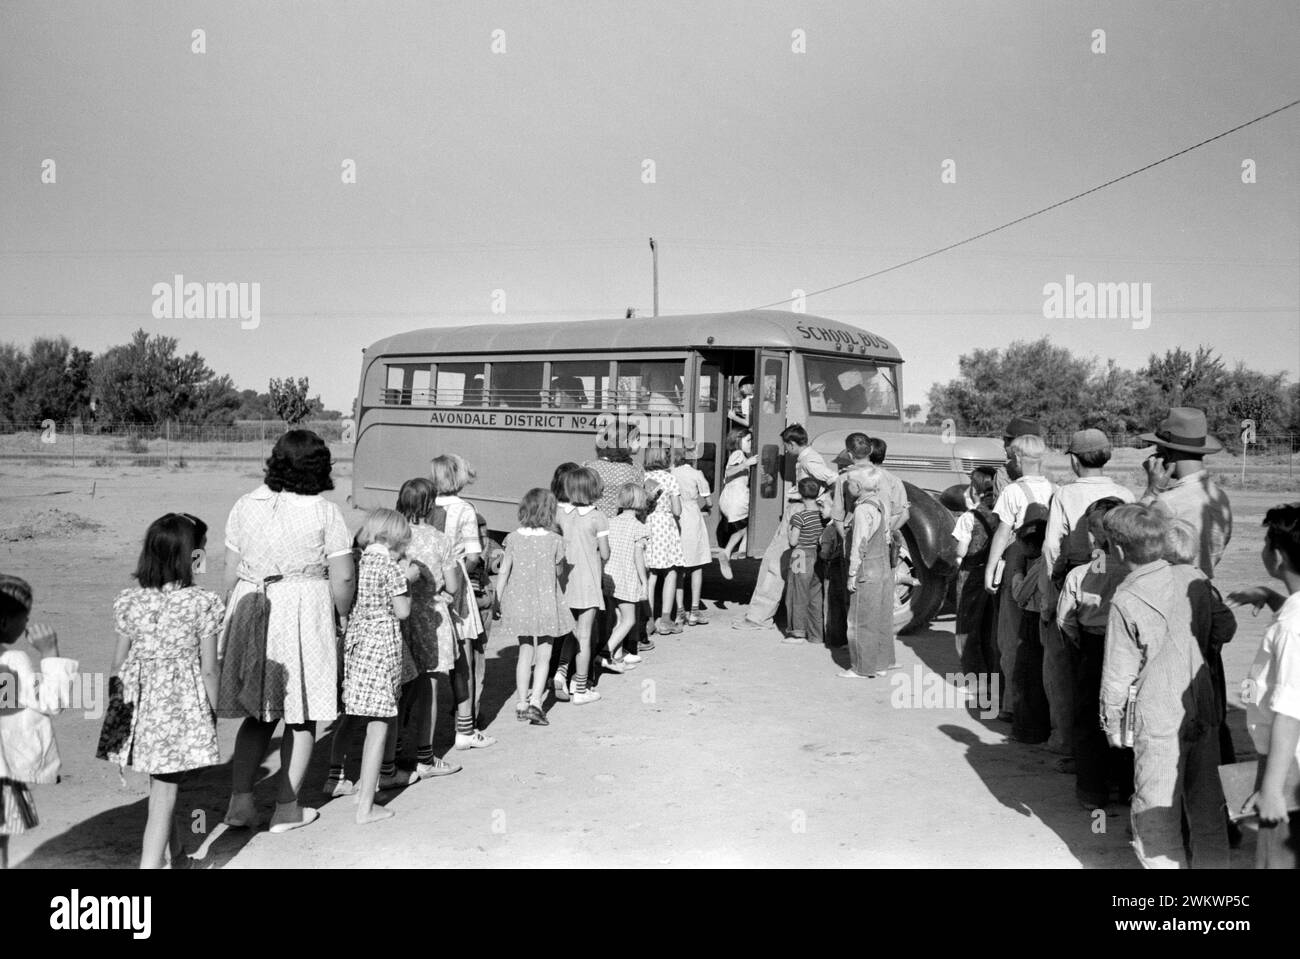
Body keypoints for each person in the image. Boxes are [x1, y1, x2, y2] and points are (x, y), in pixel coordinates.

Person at [218, 429, 355, 834]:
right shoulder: (324, 511)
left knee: (258, 715)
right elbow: (343, 577)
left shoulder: (246, 504)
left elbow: (229, 570)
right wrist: (342, 616)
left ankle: (240, 805)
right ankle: (287, 807)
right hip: (301, 611)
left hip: (252, 604)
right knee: (302, 715)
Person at [1101, 504, 1235, 869]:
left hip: (1157, 713)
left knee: (1156, 811)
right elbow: (1226, 629)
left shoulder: (1127, 598)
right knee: (1207, 807)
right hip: (1203, 705)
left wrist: (1112, 724)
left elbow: (1118, 674)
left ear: (1118, 549)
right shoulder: (1195, 579)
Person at [107, 514, 223, 868]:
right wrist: (211, 716)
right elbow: (209, 668)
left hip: (137, 706)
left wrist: (118, 723)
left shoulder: (129, 600)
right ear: (193, 557)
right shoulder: (202, 602)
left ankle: (179, 858)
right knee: (165, 792)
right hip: (179, 709)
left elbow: (118, 663)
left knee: (160, 787)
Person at [1136, 407, 1235, 776]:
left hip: (1169, 607)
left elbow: (1126, 539)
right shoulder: (1218, 496)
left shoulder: (1167, 503)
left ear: (1169, 457)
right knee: (1211, 700)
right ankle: (1220, 802)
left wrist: (1150, 490)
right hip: (1205, 598)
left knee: (1171, 705)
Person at [1039, 429, 1136, 765]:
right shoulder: (1124, 491)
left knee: (1065, 670)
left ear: (1074, 459)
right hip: (1121, 583)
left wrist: (1052, 591)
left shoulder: (1064, 493)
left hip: (1078, 579)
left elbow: (1052, 546)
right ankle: (1116, 753)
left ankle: (1067, 745)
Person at [1227, 503, 1300, 867]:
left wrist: (1271, 789)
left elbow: (1289, 712)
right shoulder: (1293, 615)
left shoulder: (1291, 629)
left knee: (1277, 860)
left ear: (1277, 556)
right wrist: (1272, 598)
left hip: (1290, 768)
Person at [329, 509, 412, 824]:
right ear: (394, 538)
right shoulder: (390, 567)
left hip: (357, 643)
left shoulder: (358, 561)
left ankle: (353, 780)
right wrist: (409, 583)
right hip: (382, 644)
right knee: (379, 725)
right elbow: (402, 611)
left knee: (355, 715)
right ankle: (366, 804)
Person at [1056, 497, 1129, 810]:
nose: (1088, 537)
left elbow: (1065, 621)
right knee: (1126, 716)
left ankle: (1093, 792)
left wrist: (1082, 645)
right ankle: (1128, 787)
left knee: (1089, 719)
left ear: (1104, 535)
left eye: (1093, 530)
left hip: (1093, 648)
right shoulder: (1135, 572)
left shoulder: (1080, 575)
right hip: (1129, 652)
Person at [0, 576, 77, 870]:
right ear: (6, 622)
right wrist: (49, 652)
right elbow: (51, 702)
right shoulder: (14, 660)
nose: (28, 624)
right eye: (25, 617)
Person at [733, 424, 837, 632]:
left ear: (792, 444)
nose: (786, 451)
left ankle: (758, 618)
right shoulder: (808, 457)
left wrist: (821, 500)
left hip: (798, 510)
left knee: (774, 562)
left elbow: (834, 478)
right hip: (801, 508)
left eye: (787, 446)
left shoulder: (809, 459)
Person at [392, 478, 462, 781]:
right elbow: (453, 583)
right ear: (430, 504)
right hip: (430, 618)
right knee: (429, 687)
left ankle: (390, 751)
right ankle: (425, 755)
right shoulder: (439, 539)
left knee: (400, 687)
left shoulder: (395, 537)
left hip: (399, 615)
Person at [984, 433, 1056, 722]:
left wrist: (991, 568)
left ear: (1016, 460)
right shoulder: (1055, 488)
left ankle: (1014, 703)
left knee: (1011, 634)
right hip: (1046, 561)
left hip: (1018, 557)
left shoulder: (1012, 491)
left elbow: (1003, 532)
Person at [431, 453, 495, 750]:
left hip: (425, 584)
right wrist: (456, 576)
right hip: (456, 586)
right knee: (463, 657)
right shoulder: (466, 509)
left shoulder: (425, 502)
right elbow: (473, 555)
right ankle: (465, 728)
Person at [496, 489, 576, 725]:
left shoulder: (512, 538)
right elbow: (559, 572)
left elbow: (503, 570)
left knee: (524, 652)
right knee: (544, 653)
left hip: (519, 602)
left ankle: (521, 702)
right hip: (546, 603)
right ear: (550, 512)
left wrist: (498, 599)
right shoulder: (555, 540)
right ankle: (536, 704)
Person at [553, 467, 609, 705]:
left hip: (565, 582)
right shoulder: (598, 517)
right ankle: (581, 686)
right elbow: (605, 553)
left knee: (570, 632)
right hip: (587, 582)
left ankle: (561, 672)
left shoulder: (560, 514)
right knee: (585, 636)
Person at [840, 474, 892, 678]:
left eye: (850, 483)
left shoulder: (862, 509)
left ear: (858, 486)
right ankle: (879, 664)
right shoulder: (879, 502)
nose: (847, 486)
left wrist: (852, 573)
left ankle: (861, 667)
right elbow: (886, 534)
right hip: (882, 565)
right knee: (879, 617)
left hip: (866, 567)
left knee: (860, 619)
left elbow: (859, 544)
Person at [1008, 509, 1051, 744]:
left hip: (1032, 620)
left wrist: (1016, 575)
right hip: (1040, 620)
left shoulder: (1037, 567)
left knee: (1026, 675)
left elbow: (1020, 594)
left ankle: (1027, 730)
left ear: (1032, 546)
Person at [953, 468, 1000, 683]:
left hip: (971, 574)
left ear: (974, 489)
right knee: (990, 626)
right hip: (997, 572)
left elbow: (961, 551)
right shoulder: (1002, 513)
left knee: (967, 625)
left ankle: (974, 679)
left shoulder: (969, 517)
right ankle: (994, 676)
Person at [603, 483, 650, 670]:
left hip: (609, 576)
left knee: (617, 619)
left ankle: (617, 656)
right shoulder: (640, 528)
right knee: (629, 620)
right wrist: (644, 581)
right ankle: (605, 652)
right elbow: (638, 557)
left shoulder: (609, 522)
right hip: (627, 577)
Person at [644, 447, 684, 635]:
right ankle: (666, 619)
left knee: (650, 574)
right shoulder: (670, 479)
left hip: (648, 524)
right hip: (666, 526)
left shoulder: (643, 478)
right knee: (670, 571)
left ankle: (649, 619)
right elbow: (677, 511)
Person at [671, 446, 713, 626]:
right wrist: (706, 507)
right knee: (697, 566)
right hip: (693, 517)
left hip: (676, 518)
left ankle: (679, 610)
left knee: (679, 567)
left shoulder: (671, 473)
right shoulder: (697, 474)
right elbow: (708, 500)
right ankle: (694, 611)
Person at [785, 478, 829, 646]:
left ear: (800, 495)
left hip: (800, 554)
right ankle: (816, 635)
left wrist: (789, 533)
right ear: (818, 493)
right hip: (817, 554)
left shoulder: (799, 517)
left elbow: (793, 542)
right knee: (816, 595)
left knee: (797, 591)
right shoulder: (822, 515)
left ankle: (798, 633)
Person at [716, 428, 757, 579]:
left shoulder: (738, 455)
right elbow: (729, 472)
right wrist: (747, 463)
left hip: (730, 499)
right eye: (748, 440)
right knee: (745, 527)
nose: (751, 443)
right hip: (736, 499)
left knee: (743, 527)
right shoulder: (738, 454)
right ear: (738, 441)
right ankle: (729, 551)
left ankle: (737, 549)